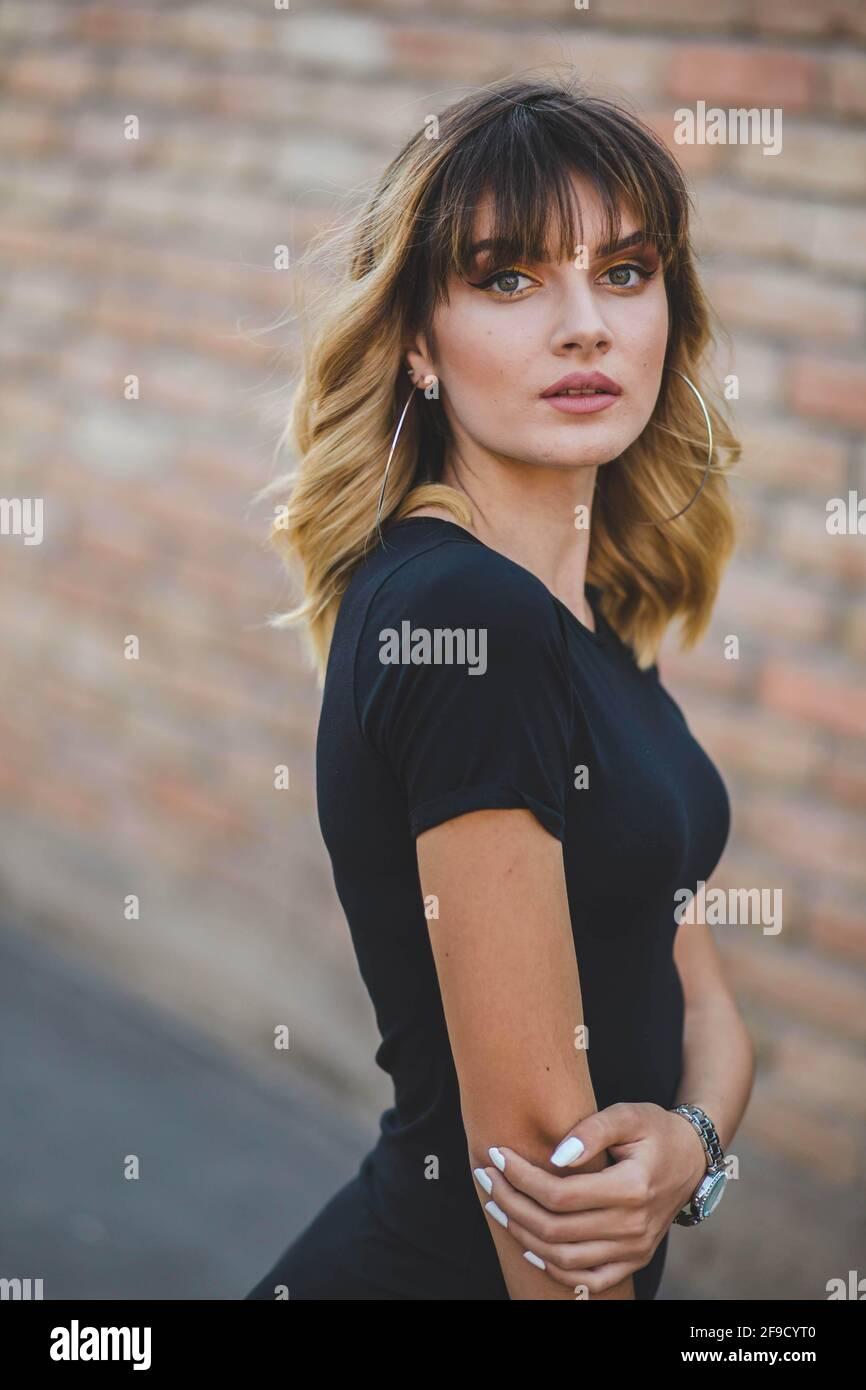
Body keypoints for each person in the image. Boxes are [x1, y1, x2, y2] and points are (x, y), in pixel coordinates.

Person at [245, 73, 755, 1301]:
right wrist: (663, 1157)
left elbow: (711, 1022)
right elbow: (549, 1198)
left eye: (625, 272)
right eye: (509, 277)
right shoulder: (466, 623)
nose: (583, 325)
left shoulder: (586, 614)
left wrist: (691, 1150)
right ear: (417, 338)